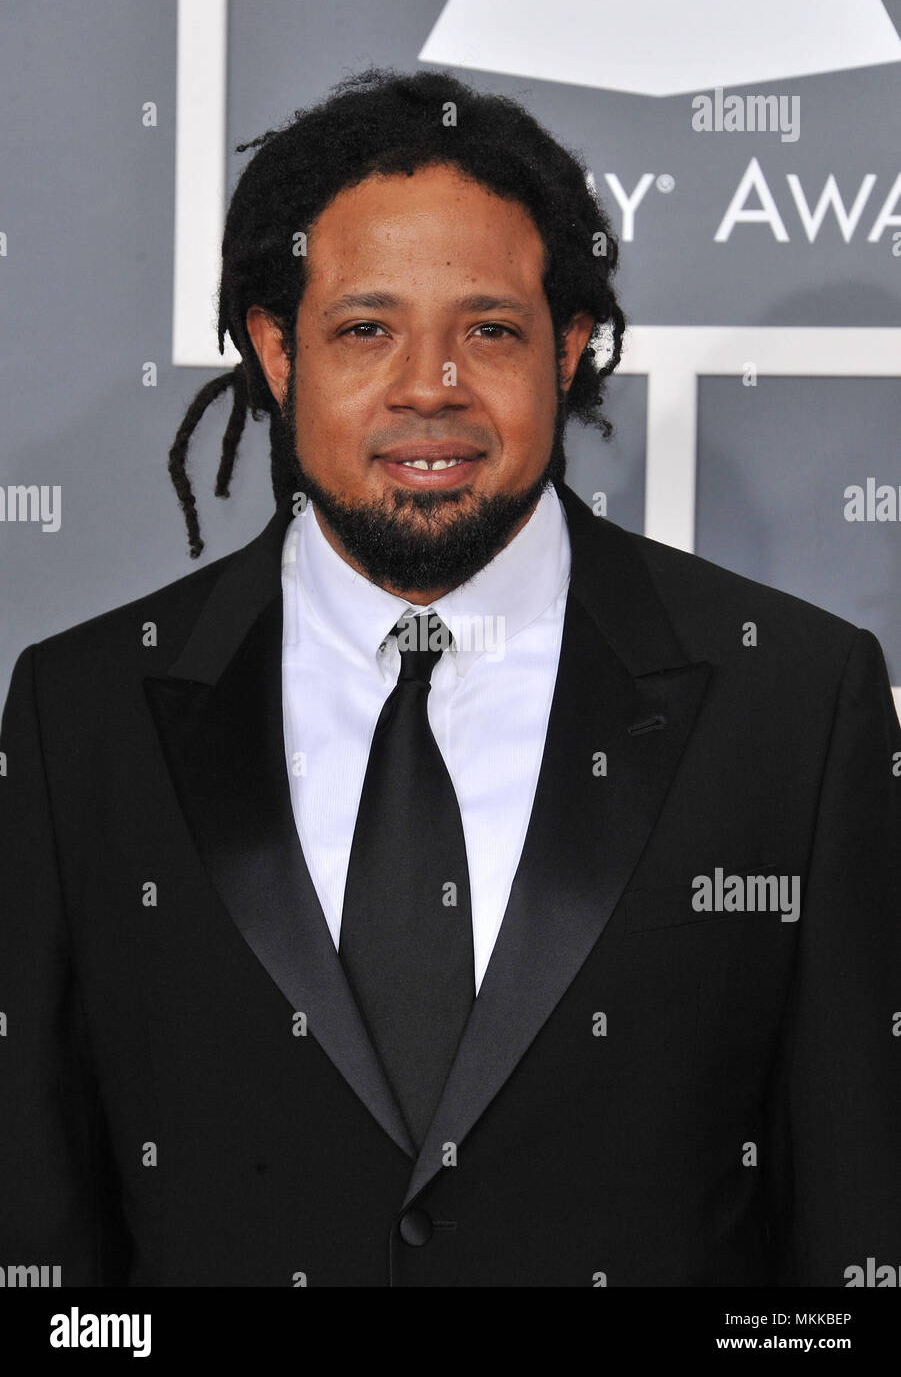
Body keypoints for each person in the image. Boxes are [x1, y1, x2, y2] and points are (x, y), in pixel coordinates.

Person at [1, 67, 898, 1288]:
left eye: (489, 329)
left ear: (570, 346)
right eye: (365, 330)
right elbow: (45, 1238)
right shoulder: (81, 714)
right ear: (275, 350)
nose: (431, 386)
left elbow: (852, 1230)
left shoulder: (795, 703)